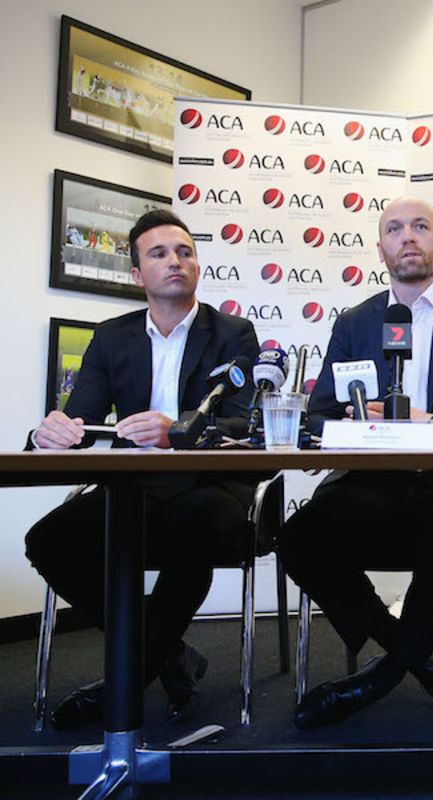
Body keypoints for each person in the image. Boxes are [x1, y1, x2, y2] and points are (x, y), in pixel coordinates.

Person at [279, 196, 433, 729]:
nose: (408, 237)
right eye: (395, 229)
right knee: (300, 537)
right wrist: (357, 422)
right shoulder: (355, 322)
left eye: (421, 226)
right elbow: (319, 416)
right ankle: (416, 658)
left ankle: (377, 679)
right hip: (373, 482)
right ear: (381, 248)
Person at [25, 209, 260, 729]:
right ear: (137, 275)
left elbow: (246, 423)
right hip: (136, 486)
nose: (175, 261)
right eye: (158, 254)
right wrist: (50, 434)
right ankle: (171, 655)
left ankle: (124, 683)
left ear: (197, 265)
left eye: (185, 252)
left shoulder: (234, 333)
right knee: (48, 540)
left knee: (195, 531)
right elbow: (80, 417)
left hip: (212, 482)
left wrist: (177, 431)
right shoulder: (111, 338)